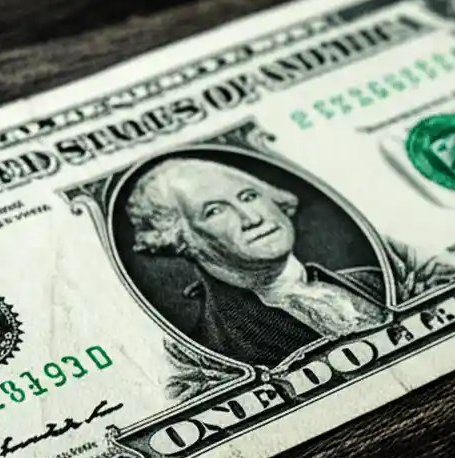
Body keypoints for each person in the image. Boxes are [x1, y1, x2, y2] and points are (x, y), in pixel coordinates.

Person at [126, 157, 391, 367]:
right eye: (215, 211)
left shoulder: (373, 280)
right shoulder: (219, 349)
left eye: (248, 196)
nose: (251, 218)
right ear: (180, 238)